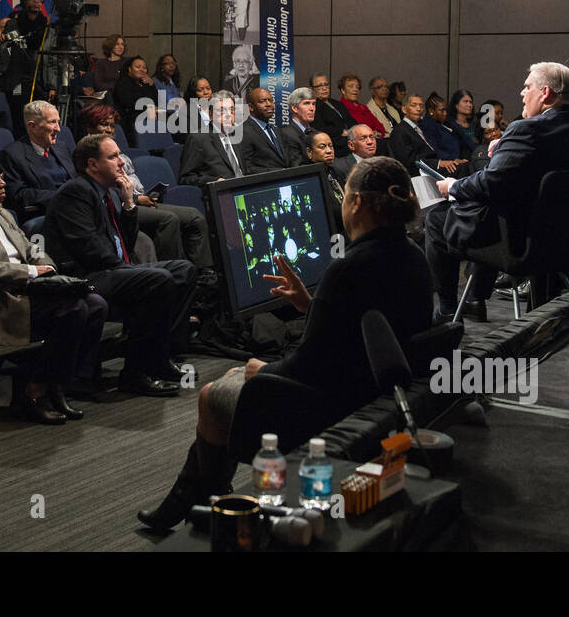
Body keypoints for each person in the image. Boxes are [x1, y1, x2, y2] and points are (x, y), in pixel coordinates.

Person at [137, 155, 437, 532]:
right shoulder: (413, 257)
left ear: (357, 202)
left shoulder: (346, 269)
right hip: (379, 398)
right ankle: (198, 500)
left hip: (332, 405)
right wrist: (310, 305)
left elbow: (308, 366)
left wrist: (262, 371)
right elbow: (358, 335)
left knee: (212, 394)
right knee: (236, 375)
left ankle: (205, 504)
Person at [426, 62, 569, 323]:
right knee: (486, 213)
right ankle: (476, 299)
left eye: (527, 87)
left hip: (522, 246)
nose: (522, 93)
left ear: (545, 93)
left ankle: (447, 310)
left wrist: (452, 186)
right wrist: (506, 147)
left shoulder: (527, 129)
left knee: (438, 217)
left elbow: (490, 185)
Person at [0, 154, 107, 425]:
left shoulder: (3, 214)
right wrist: (30, 272)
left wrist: (45, 267)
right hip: (4, 300)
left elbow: (32, 249)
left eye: (0, 176)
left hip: (35, 290)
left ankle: (56, 382)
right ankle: (36, 387)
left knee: (97, 304)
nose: (2, 183)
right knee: (75, 309)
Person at [43, 134, 199, 396]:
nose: (121, 163)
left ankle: (158, 358)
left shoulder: (111, 192)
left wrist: (128, 205)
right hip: (86, 277)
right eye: (113, 157)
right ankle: (136, 373)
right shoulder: (76, 192)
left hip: (112, 269)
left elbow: (125, 242)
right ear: (92, 164)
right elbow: (91, 251)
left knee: (185, 269)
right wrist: (133, 270)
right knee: (158, 278)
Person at [79, 104, 212, 268]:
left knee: (194, 215)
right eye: (104, 124)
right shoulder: (86, 152)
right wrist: (135, 199)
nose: (109, 129)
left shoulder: (116, 150)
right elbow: (104, 189)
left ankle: (203, 273)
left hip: (141, 200)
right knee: (169, 219)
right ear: (91, 126)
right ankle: (171, 271)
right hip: (123, 205)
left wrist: (146, 196)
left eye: (112, 126)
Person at [0, 99, 74, 218]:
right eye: (52, 122)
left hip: (73, 207)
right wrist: (60, 196)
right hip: (45, 213)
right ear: (32, 126)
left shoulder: (61, 147)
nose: (58, 129)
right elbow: (17, 194)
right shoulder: (11, 155)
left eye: (58, 122)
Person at [178, 91, 245, 185]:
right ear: (210, 114)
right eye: (222, 110)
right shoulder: (198, 139)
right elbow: (185, 178)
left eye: (232, 110)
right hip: (220, 194)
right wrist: (213, 182)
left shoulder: (237, 135)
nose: (228, 114)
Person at [388, 93, 450, 175]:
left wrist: (449, 161)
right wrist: (438, 163)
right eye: (414, 105)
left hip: (433, 168)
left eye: (421, 106)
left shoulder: (420, 128)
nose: (419, 109)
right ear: (404, 109)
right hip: (420, 174)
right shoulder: (400, 131)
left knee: (463, 165)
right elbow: (410, 161)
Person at [112, 54, 158, 148]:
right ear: (129, 69)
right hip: (129, 119)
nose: (142, 69)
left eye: (144, 68)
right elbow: (129, 104)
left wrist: (151, 85)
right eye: (138, 67)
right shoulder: (123, 84)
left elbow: (156, 101)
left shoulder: (145, 84)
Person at [238, 87, 287, 174]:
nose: (269, 104)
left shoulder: (275, 130)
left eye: (270, 100)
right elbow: (246, 167)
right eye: (262, 101)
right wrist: (276, 172)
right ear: (251, 107)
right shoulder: (244, 131)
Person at [311, 73, 355, 157]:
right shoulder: (313, 106)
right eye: (320, 86)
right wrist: (342, 131)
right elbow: (319, 128)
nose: (324, 88)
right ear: (312, 89)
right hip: (334, 142)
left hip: (350, 137)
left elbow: (351, 120)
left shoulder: (337, 103)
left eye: (326, 84)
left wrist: (356, 130)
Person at [281, 86, 317, 167]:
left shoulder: (315, 132)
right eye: (306, 103)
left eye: (313, 104)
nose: (312, 108)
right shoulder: (287, 134)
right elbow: (296, 166)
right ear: (294, 108)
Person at [446, 89, 480, 155]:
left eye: (471, 102)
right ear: (456, 105)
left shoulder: (476, 124)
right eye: (465, 101)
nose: (469, 105)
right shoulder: (449, 125)